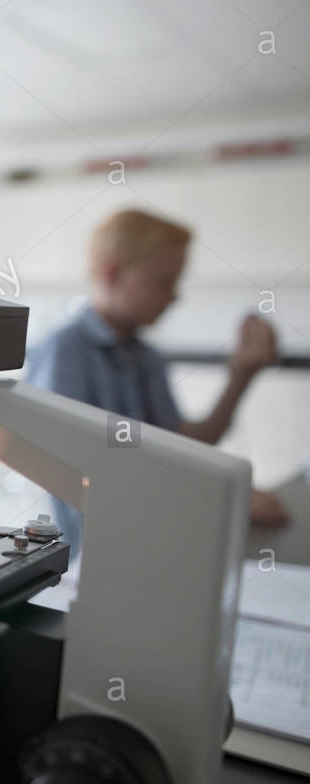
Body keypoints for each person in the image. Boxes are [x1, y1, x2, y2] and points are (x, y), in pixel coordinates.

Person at [27, 208, 288, 556]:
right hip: (94, 559)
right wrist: (217, 497)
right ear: (112, 273)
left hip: (155, 543)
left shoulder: (146, 356)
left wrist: (241, 375)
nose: (175, 296)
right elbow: (79, 469)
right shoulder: (66, 349)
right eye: (164, 282)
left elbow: (181, 446)